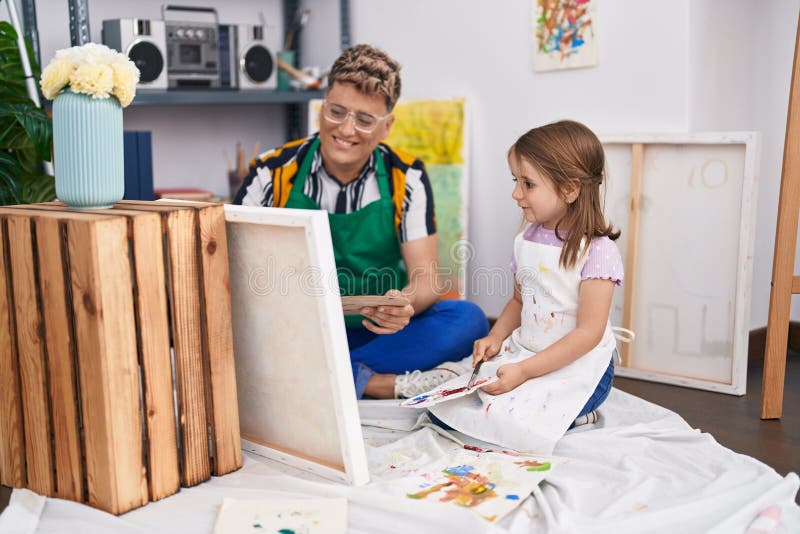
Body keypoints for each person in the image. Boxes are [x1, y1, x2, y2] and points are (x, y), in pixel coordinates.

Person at [234, 44, 488, 400]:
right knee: (239, 328)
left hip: (377, 333)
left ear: (386, 127)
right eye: (337, 112)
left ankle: (314, 376)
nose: (347, 130)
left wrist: (402, 303)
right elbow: (236, 270)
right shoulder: (271, 172)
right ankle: (371, 383)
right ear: (322, 108)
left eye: (365, 120)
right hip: (297, 328)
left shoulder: (406, 177)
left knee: (468, 320)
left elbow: (427, 281)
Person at [430, 120, 623, 454]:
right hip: (526, 354)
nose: (516, 194)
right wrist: (495, 337)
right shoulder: (526, 241)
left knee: (512, 421)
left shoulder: (597, 251)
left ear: (570, 189)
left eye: (528, 184)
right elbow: (519, 302)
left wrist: (523, 372)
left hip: (578, 368)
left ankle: (577, 416)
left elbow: (588, 334)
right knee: (448, 414)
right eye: (515, 181)